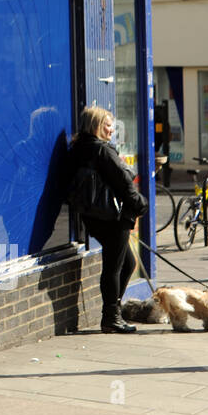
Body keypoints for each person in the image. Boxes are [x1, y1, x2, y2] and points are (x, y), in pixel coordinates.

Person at [65, 105, 148, 333]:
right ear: (97, 126)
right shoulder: (102, 150)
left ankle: (113, 312)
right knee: (114, 266)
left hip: (92, 216)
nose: (111, 130)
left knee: (128, 262)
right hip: (113, 216)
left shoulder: (77, 148)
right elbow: (123, 183)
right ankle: (110, 318)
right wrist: (140, 204)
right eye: (108, 125)